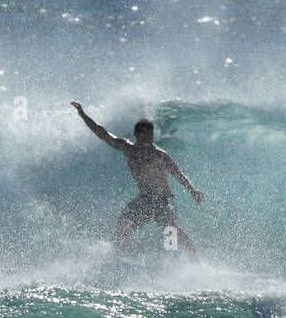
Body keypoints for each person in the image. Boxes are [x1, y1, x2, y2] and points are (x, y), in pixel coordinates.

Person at [71, 101, 204, 254]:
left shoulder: (160, 155)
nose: (149, 138)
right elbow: (102, 133)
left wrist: (193, 190)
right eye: (145, 135)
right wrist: (82, 115)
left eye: (151, 135)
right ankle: (122, 255)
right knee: (124, 222)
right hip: (145, 198)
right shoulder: (128, 149)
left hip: (164, 199)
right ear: (136, 135)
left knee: (171, 229)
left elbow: (178, 174)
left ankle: (192, 258)